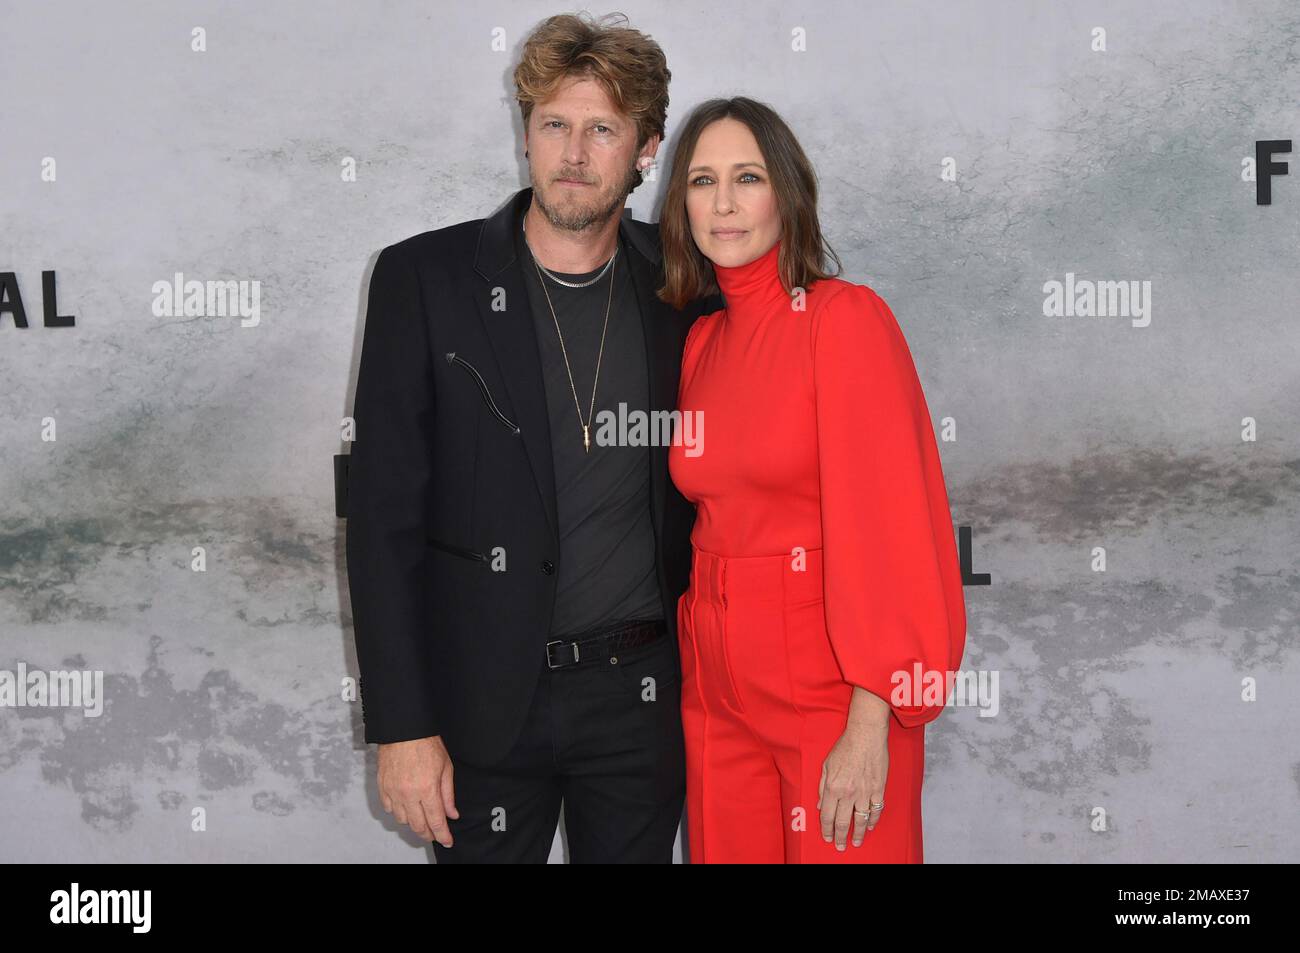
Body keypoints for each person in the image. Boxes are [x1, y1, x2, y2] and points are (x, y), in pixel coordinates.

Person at [345, 13, 719, 863]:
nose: (574, 153)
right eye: (554, 124)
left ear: (647, 148)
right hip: (479, 709)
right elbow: (382, 521)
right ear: (525, 136)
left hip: (639, 701)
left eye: (602, 129)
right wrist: (404, 725)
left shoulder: (685, 287)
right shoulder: (424, 280)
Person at [661, 98, 967, 863]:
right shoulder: (702, 341)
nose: (723, 203)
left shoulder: (843, 320)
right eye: (702, 180)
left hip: (833, 684)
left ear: (787, 195)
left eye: (747, 177)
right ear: (681, 203)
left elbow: (898, 523)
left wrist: (874, 717)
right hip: (714, 683)